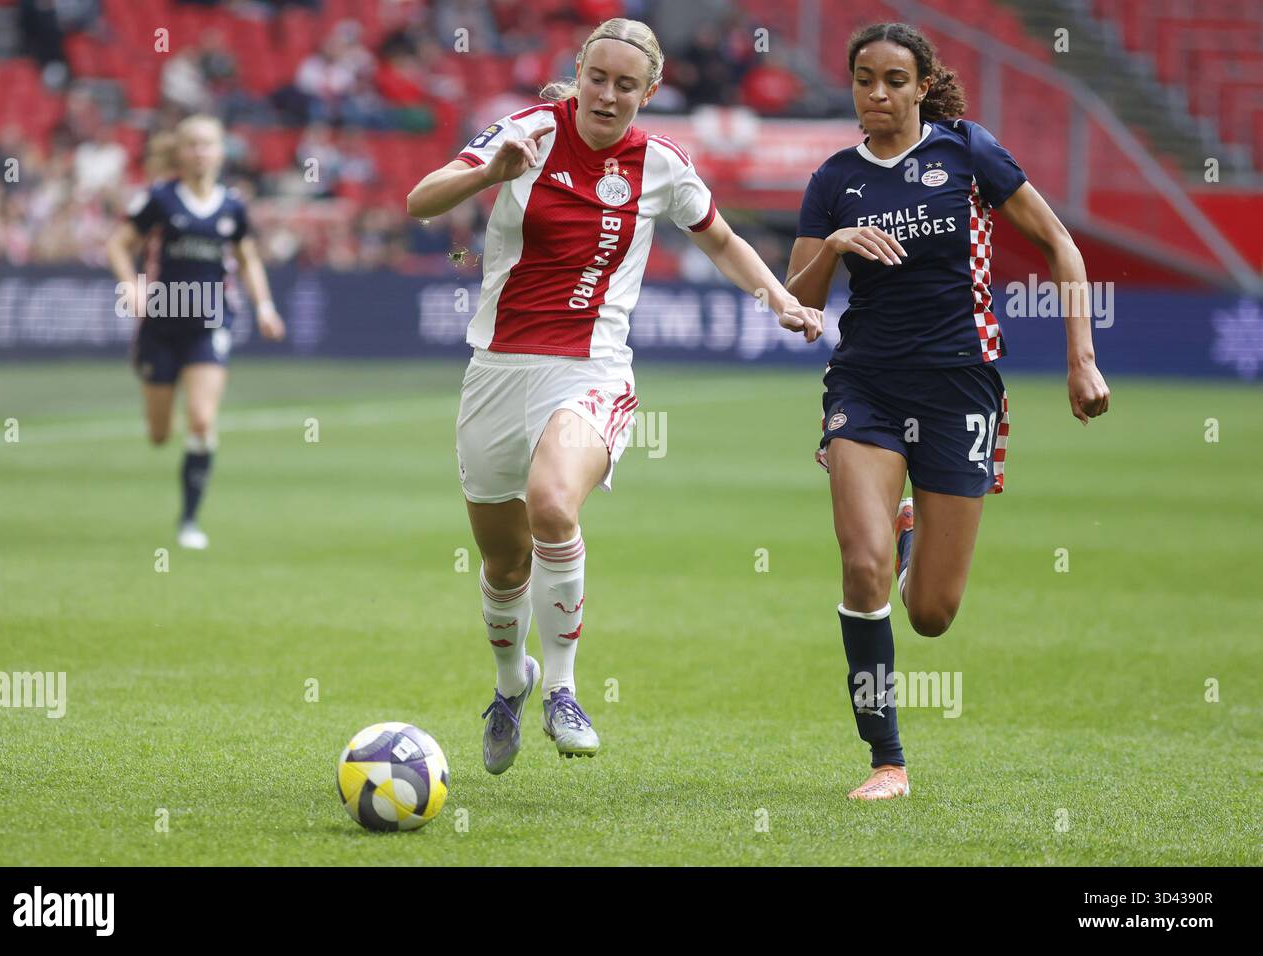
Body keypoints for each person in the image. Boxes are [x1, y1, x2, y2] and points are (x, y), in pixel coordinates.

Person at [407, 17, 823, 772]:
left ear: (650, 91)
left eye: (626, 85)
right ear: (579, 72)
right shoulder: (526, 132)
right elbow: (420, 201)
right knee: (504, 565)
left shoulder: (661, 165)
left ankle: (564, 689)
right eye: (597, 78)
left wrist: (780, 298)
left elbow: (721, 237)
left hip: (592, 370)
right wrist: (489, 171)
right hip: (497, 371)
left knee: (553, 505)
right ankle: (513, 683)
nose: (607, 94)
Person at [785, 22, 1110, 800]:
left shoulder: (967, 152)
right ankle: (886, 761)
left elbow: (1061, 243)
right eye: (864, 79)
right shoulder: (834, 178)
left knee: (930, 613)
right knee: (858, 567)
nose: (878, 94)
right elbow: (795, 304)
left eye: (895, 80)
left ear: (922, 85)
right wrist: (833, 244)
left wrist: (1081, 358)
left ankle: (912, 534)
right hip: (863, 384)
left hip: (960, 386)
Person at [105, 115, 285, 550]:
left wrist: (264, 306)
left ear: (221, 151)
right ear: (180, 152)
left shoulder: (232, 206)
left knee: (202, 420)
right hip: (160, 326)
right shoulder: (160, 199)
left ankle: (189, 521)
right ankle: (160, 388)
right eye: (193, 145)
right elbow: (118, 244)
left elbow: (247, 259)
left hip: (210, 323)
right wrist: (129, 283)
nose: (201, 152)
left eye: (208, 144)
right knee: (159, 433)